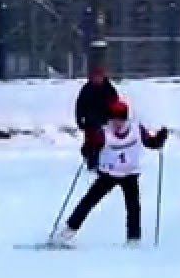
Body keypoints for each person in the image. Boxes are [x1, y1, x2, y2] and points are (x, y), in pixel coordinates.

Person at [55, 100, 168, 247]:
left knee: (133, 207)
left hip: (130, 174)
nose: (117, 123)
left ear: (125, 118)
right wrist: (89, 150)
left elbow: (151, 143)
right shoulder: (104, 133)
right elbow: (90, 148)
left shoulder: (137, 130)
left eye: (120, 119)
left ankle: (133, 240)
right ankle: (67, 232)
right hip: (108, 174)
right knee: (88, 202)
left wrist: (159, 139)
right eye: (114, 119)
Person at [75, 66, 120, 170]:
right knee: (91, 144)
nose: (97, 79)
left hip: (106, 122)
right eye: (95, 77)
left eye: (99, 76)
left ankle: (106, 164)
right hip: (90, 122)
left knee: (105, 144)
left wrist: (116, 118)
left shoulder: (109, 89)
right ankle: (92, 164)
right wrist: (79, 120)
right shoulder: (86, 89)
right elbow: (80, 105)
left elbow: (116, 104)